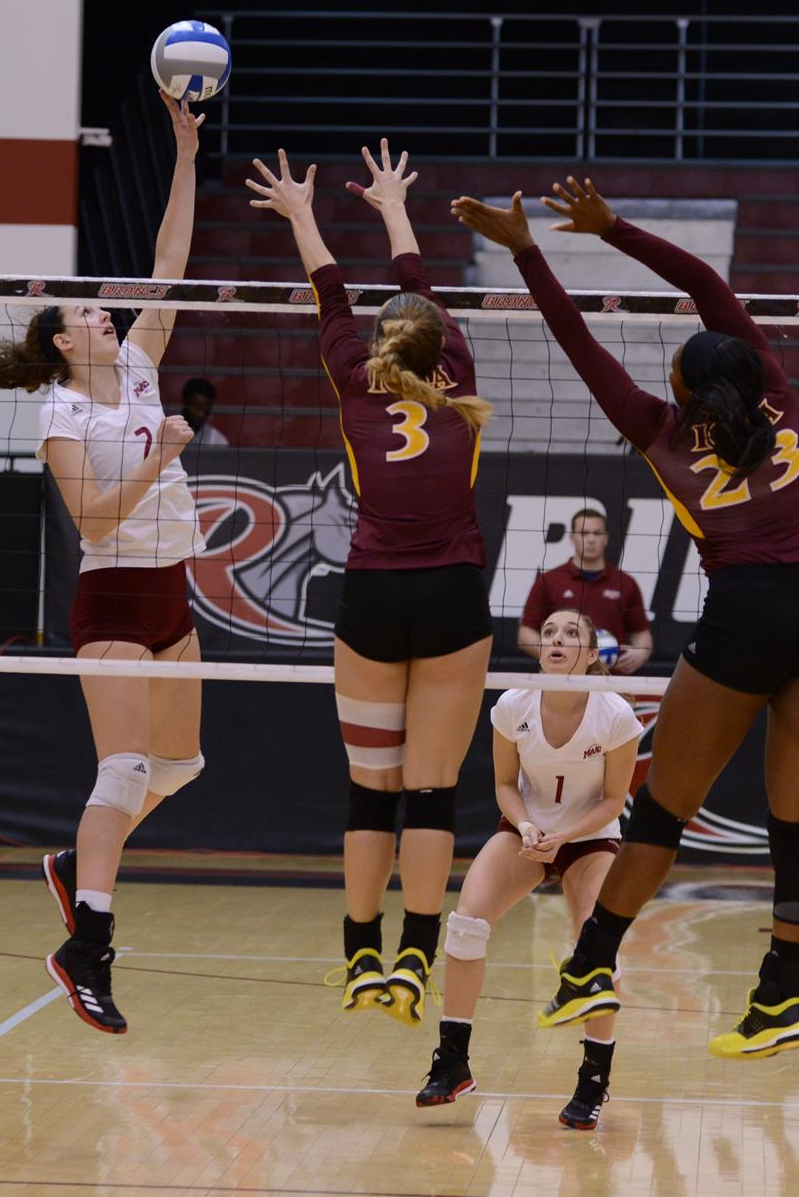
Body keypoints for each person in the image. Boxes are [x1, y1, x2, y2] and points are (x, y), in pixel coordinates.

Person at [452, 176, 799, 1061]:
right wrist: (614, 227)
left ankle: (591, 962)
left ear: (686, 383)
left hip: (745, 613)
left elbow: (575, 340)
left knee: (663, 812)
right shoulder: (779, 398)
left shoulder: (659, 429)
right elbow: (709, 286)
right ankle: (779, 993)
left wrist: (531, 249)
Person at [248, 140, 494, 1025]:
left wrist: (302, 213)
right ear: (438, 344)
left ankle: (360, 955)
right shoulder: (459, 375)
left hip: (374, 600)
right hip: (455, 597)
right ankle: (416, 960)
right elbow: (416, 288)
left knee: (370, 788)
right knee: (433, 789)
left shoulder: (352, 382)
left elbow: (332, 295)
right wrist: (394, 206)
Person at [0, 90, 207, 1035]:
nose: (104, 311)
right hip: (112, 597)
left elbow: (170, 260)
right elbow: (93, 523)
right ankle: (89, 948)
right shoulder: (61, 415)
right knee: (120, 773)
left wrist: (187, 149)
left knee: (183, 765)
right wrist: (161, 458)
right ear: (64, 343)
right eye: (85, 311)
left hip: (171, 592)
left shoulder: (145, 364)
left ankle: (80, 863)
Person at [417, 608, 640, 1130]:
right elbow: (502, 785)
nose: (557, 639)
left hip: (590, 838)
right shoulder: (511, 705)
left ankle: (593, 1081)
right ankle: (452, 1064)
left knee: (594, 944)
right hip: (527, 832)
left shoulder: (615, 714)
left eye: (571, 633)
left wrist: (566, 834)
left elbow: (613, 800)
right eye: (548, 633)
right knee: (467, 923)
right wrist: (526, 828)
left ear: (591, 654)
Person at [517, 507, 653, 674]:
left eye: (597, 533)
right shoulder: (549, 580)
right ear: (572, 538)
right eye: (584, 533)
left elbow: (642, 636)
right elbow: (525, 635)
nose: (590, 539)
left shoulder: (626, 583)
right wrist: (557, 654)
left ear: (606, 539)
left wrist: (641, 652)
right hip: (560, 677)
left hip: (610, 678)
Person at [178, 376, 229, 446]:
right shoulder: (165, 431)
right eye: (197, 408)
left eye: (206, 410)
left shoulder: (217, 441)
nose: (201, 414)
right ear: (185, 401)